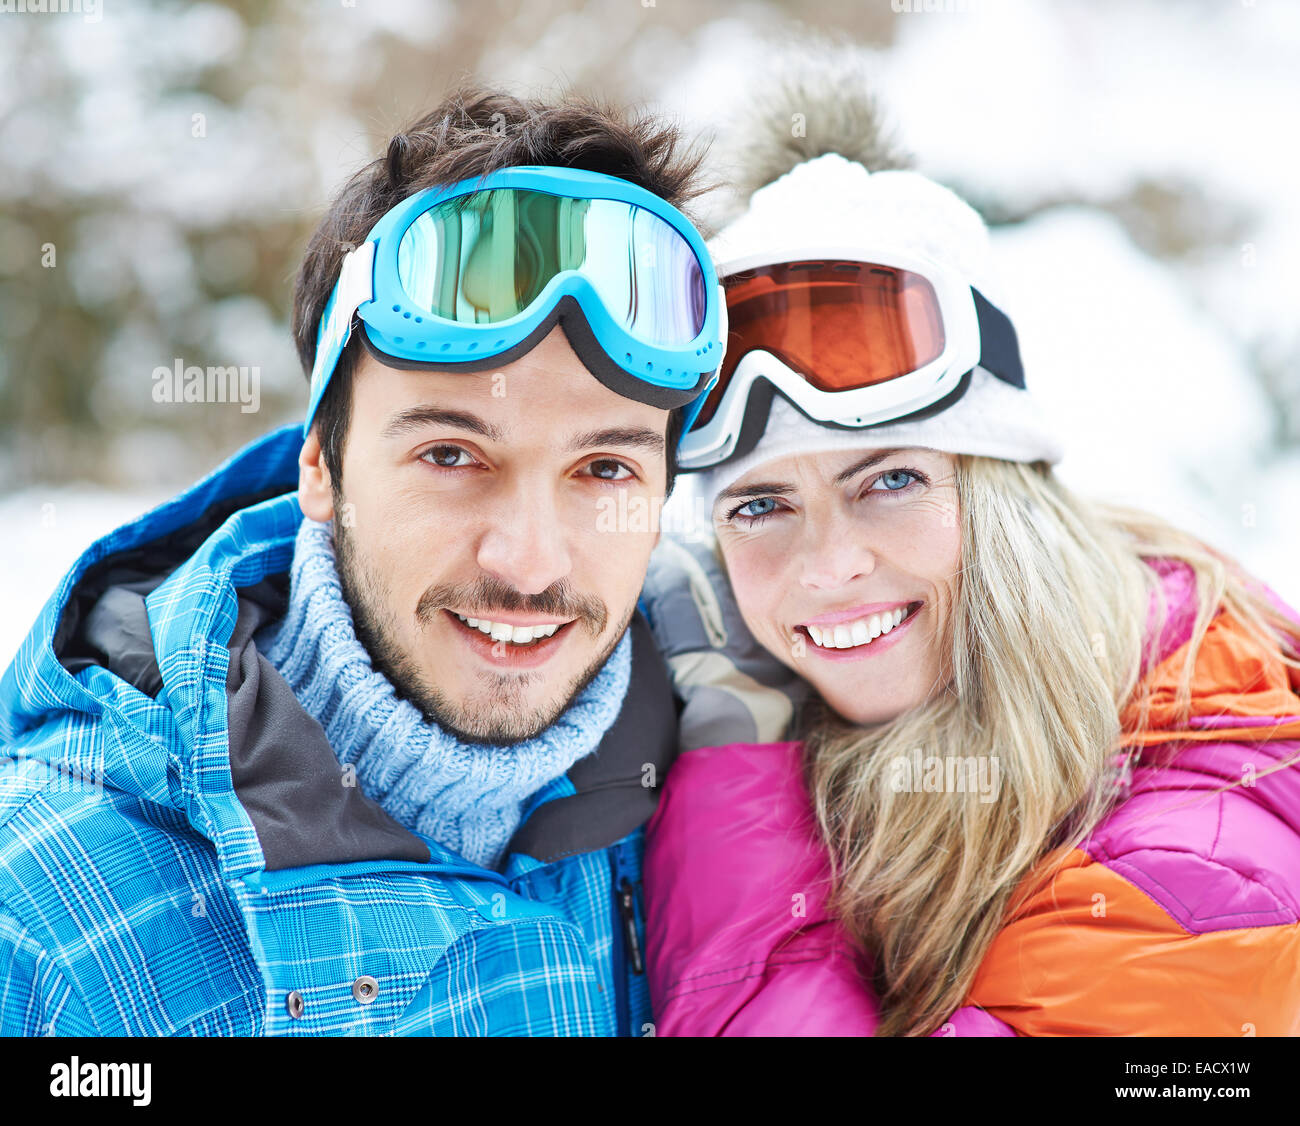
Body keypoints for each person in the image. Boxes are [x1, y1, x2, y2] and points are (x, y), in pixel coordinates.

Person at [0, 88, 724, 1036]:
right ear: (320, 466)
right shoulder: (49, 928)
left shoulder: (711, 800)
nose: (532, 562)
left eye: (603, 467)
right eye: (452, 456)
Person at [638, 91, 1300, 1036]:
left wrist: (728, 810)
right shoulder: (825, 756)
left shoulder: (1197, 870)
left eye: (891, 482)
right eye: (760, 505)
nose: (828, 567)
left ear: (1001, 496)